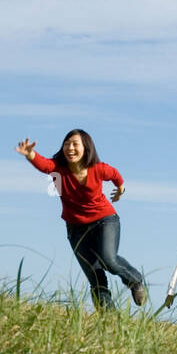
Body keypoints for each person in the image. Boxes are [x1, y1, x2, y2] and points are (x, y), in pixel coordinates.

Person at [16, 130, 147, 310]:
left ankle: (135, 280)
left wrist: (120, 190)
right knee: (95, 277)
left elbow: (115, 175)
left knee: (109, 259)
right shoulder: (58, 169)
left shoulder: (98, 169)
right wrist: (30, 154)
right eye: (67, 144)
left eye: (75, 144)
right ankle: (111, 323)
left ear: (86, 148)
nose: (70, 148)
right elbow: (44, 164)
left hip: (104, 220)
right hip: (76, 228)